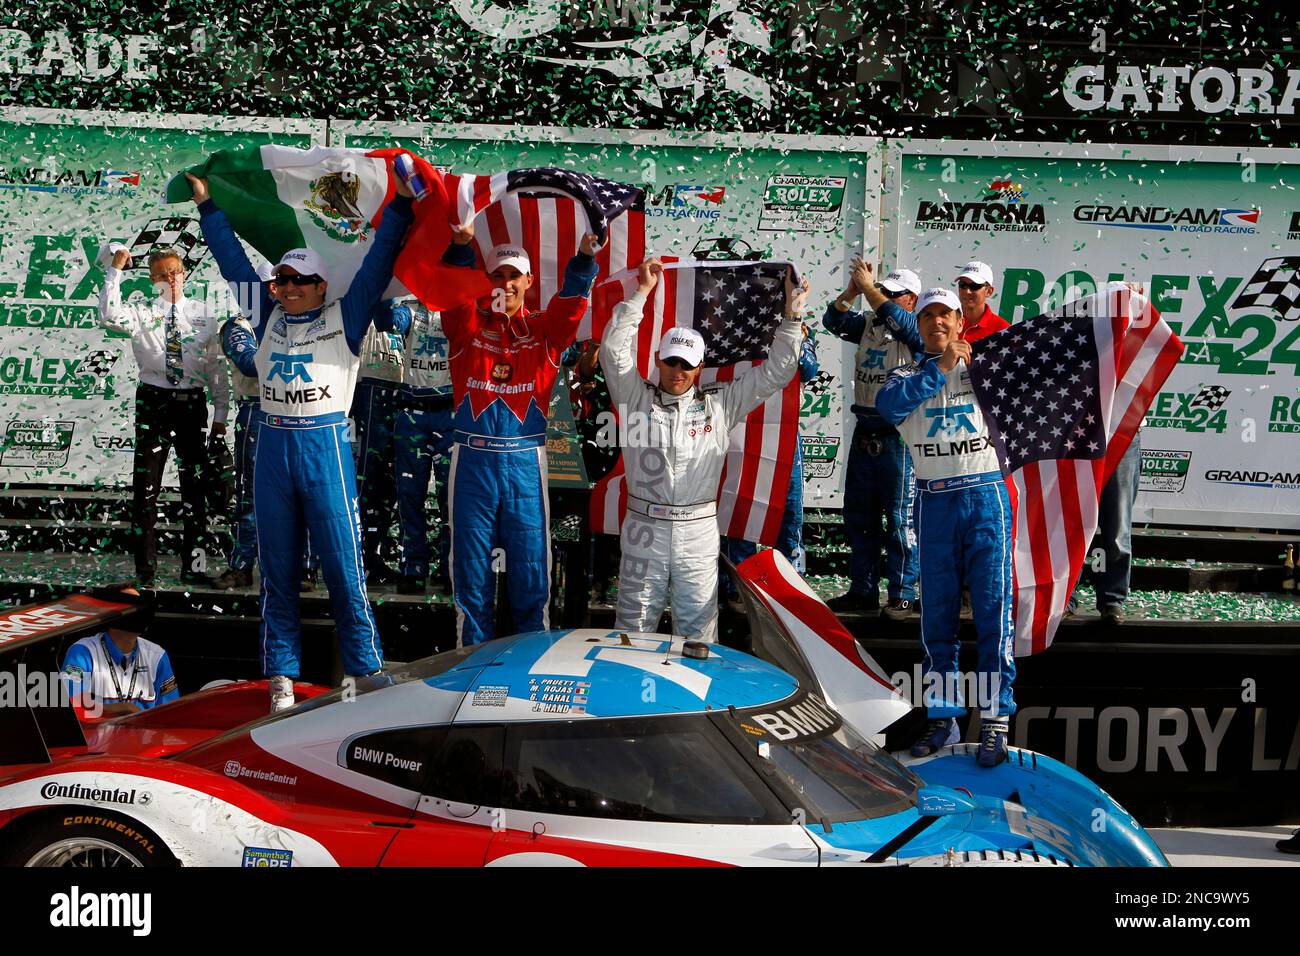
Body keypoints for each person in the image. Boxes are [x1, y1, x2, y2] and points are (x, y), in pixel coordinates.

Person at [191, 171, 415, 712]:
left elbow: (380, 259)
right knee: (278, 570)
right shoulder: (265, 315)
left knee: (343, 564)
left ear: (320, 285)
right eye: (282, 280)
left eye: (299, 280)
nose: (287, 288)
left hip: (325, 449)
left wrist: (402, 208)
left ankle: (367, 671)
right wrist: (208, 208)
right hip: (272, 447)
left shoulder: (348, 315)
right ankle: (281, 683)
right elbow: (233, 264)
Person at [602, 259, 806, 643]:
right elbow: (613, 351)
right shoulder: (634, 396)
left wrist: (792, 318)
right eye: (671, 361)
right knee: (632, 632)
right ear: (659, 360)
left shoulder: (721, 403)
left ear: (700, 368)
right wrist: (641, 294)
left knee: (698, 636)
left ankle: (695, 703)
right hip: (645, 527)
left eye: (687, 364)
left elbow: (778, 372)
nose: (677, 371)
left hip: (697, 530)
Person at [440, 227, 601, 645]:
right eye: (497, 276)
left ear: (529, 282)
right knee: (471, 570)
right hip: (472, 462)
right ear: (486, 281)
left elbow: (569, 308)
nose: (506, 284)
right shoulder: (467, 326)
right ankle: (467, 661)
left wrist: (584, 258)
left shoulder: (546, 331)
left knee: (532, 570)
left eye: (515, 276)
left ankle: (531, 661)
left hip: (525, 463)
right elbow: (453, 299)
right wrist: (460, 247)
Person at [877, 287, 1016, 768]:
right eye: (929, 315)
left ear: (961, 321)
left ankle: (997, 715)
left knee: (994, 612)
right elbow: (888, 407)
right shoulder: (905, 372)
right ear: (919, 323)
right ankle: (944, 715)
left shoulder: (988, 365)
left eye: (947, 315)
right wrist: (938, 368)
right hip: (933, 501)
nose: (938, 322)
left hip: (986, 497)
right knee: (936, 617)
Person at [98, 247, 228, 587]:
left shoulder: (204, 315)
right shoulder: (140, 312)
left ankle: (195, 569)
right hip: (153, 403)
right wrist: (115, 271)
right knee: (145, 491)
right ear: (152, 280)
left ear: (184, 273)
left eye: (175, 271)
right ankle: (145, 572)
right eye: (161, 275)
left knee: (194, 491)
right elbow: (110, 316)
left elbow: (216, 369)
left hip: (191, 404)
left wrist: (221, 414)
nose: (170, 279)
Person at [823, 260, 925, 619]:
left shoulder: (917, 329)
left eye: (893, 294)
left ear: (911, 300)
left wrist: (870, 291)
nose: (882, 299)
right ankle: (863, 590)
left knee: (900, 521)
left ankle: (902, 594)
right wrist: (851, 292)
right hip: (865, 433)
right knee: (859, 516)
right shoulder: (869, 323)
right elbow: (832, 322)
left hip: (899, 438)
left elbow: (903, 323)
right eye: (883, 291)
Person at [722, 324, 819, 592]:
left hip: (783, 431)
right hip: (741, 428)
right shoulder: (740, 325)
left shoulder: (800, 331)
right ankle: (738, 587)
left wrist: (797, 336)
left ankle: (791, 589)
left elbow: (809, 370)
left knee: (788, 514)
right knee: (740, 509)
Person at [372, 297, 455, 596]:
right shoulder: (411, 309)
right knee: (410, 495)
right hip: (412, 413)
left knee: (451, 497)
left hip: (451, 413)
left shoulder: (461, 306)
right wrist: (384, 295)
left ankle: (451, 567)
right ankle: (413, 567)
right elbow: (385, 323)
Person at [60, 591, 179, 717]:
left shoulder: (157, 656)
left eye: (139, 606)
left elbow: (171, 712)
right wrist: (122, 709)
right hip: (96, 735)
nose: (140, 612)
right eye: (132, 606)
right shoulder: (83, 652)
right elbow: (70, 705)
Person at [1067, 430, 1143, 624]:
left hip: (1122, 430)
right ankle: (1065, 598)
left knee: (1118, 527)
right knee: (1071, 524)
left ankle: (1112, 601)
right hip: (1078, 429)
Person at [351, 323, 406, 584]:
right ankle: (356, 559)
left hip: (401, 393)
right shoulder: (367, 305)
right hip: (367, 392)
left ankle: (377, 555)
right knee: (365, 483)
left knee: (388, 487)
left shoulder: (411, 312)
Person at [954, 261, 1009, 343]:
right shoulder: (947, 321)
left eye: (974, 286)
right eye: (963, 285)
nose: (967, 291)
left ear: (989, 291)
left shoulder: (1003, 329)